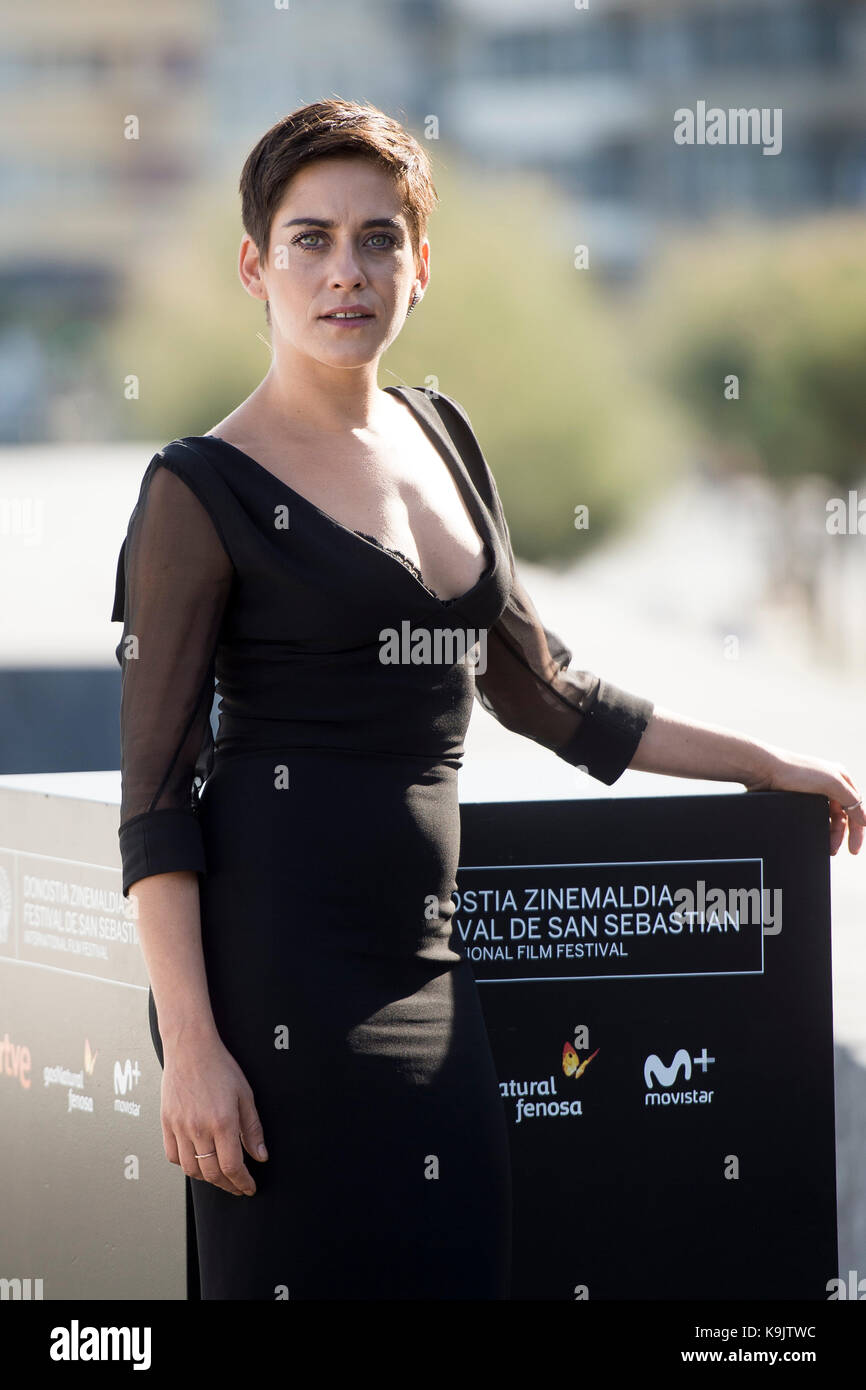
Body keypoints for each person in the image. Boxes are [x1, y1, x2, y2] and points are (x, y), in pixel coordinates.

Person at [111, 98, 864, 1302]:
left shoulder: (444, 436)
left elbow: (548, 694)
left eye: (376, 239)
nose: (344, 272)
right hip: (272, 1002)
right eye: (309, 239)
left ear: (420, 265)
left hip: (432, 982)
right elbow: (152, 803)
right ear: (255, 266)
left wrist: (760, 762)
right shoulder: (198, 491)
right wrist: (192, 1049)